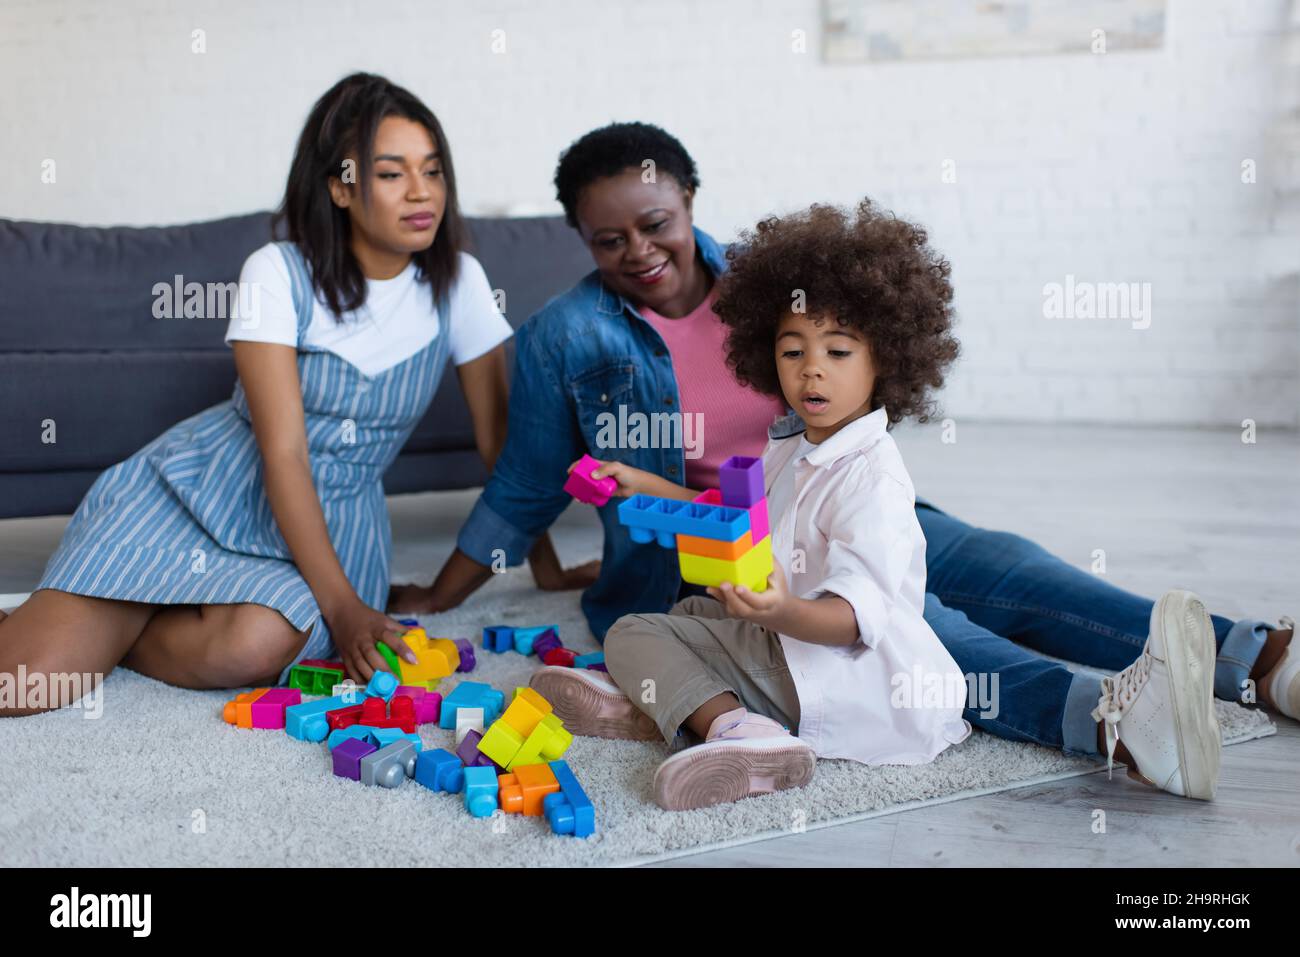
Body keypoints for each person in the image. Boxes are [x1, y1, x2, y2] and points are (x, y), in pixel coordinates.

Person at [391, 121, 1296, 798]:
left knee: (1012, 569)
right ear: (581, 240)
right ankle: (1116, 724)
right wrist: (441, 591)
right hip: (726, 558)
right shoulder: (565, 333)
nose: (640, 251)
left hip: (834, 499)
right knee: (926, 628)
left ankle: (1256, 660)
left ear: (691, 202)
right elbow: (521, 483)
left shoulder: (778, 286)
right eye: (608, 239)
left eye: (655, 222)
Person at [0, 72, 566, 714]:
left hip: (338, 521)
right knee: (26, 686)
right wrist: (346, 610)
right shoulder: (277, 272)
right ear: (339, 187)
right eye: (391, 173)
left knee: (257, 644)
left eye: (433, 171)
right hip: (208, 488)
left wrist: (540, 570)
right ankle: (106, 600)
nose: (421, 192)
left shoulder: (459, 281)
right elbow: (285, 456)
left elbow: (502, 448)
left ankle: (122, 617)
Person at [535, 200, 974, 810]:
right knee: (690, 606)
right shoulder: (794, 444)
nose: (810, 372)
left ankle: (741, 732)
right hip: (787, 638)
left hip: (827, 668)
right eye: (793, 351)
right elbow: (740, 518)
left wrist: (781, 609)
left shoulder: (872, 479)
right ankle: (667, 701)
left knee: (633, 629)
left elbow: (852, 619)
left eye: (838, 353)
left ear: (888, 361)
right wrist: (644, 482)